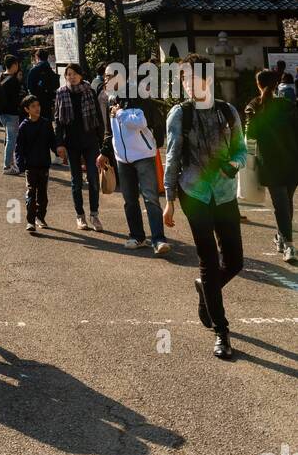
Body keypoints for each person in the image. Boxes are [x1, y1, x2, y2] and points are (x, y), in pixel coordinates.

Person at [163, 55, 247, 360]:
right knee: (209, 260)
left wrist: (234, 165)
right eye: (182, 78)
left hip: (225, 193)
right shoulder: (179, 115)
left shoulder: (227, 111)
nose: (185, 84)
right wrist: (169, 201)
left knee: (235, 261)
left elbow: (241, 148)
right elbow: (172, 157)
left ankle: (205, 287)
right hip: (194, 194)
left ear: (207, 79)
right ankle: (221, 331)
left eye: (189, 77)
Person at [98, 78, 169, 255]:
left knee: (150, 198)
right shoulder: (111, 100)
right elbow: (109, 131)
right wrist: (105, 152)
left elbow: (140, 123)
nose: (107, 80)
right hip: (122, 158)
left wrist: (120, 113)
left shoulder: (137, 96)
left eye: (111, 76)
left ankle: (158, 240)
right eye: (105, 77)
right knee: (129, 200)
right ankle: (137, 237)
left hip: (143, 155)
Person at [245, 69, 298, 264]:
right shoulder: (288, 105)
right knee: (286, 203)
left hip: (270, 162)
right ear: (277, 85)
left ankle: (289, 245)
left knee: (281, 204)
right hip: (293, 161)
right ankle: (281, 238)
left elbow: (250, 135)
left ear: (258, 84)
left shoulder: (254, 105)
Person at [54, 63, 105, 232]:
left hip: (90, 142)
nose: (72, 76)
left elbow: (98, 118)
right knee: (76, 181)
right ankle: (80, 216)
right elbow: (59, 121)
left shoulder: (89, 92)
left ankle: (94, 214)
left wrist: (103, 144)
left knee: (93, 179)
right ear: (65, 76)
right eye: (68, 74)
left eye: (75, 73)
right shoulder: (61, 94)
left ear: (81, 75)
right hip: (71, 144)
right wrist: (59, 143)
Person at [14, 94, 58, 231]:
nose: (37, 108)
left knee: (43, 194)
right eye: (33, 106)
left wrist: (58, 151)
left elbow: (52, 141)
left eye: (38, 105)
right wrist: (20, 164)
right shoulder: (23, 126)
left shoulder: (46, 123)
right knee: (31, 193)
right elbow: (19, 147)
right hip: (30, 165)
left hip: (44, 163)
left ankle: (40, 217)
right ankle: (30, 221)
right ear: (27, 109)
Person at [0, 56, 23, 174]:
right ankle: (7, 166)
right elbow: (17, 98)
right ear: (14, 65)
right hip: (12, 113)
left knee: (8, 138)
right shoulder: (14, 80)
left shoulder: (0, 76)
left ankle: (10, 162)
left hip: (1, 112)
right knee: (11, 140)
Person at [25, 49, 59, 121]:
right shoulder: (50, 69)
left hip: (36, 102)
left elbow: (29, 87)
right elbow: (56, 85)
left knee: (37, 122)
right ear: (47, 57)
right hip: (48, 100)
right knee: (47, 121)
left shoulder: (34, 70)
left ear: (37, 57)